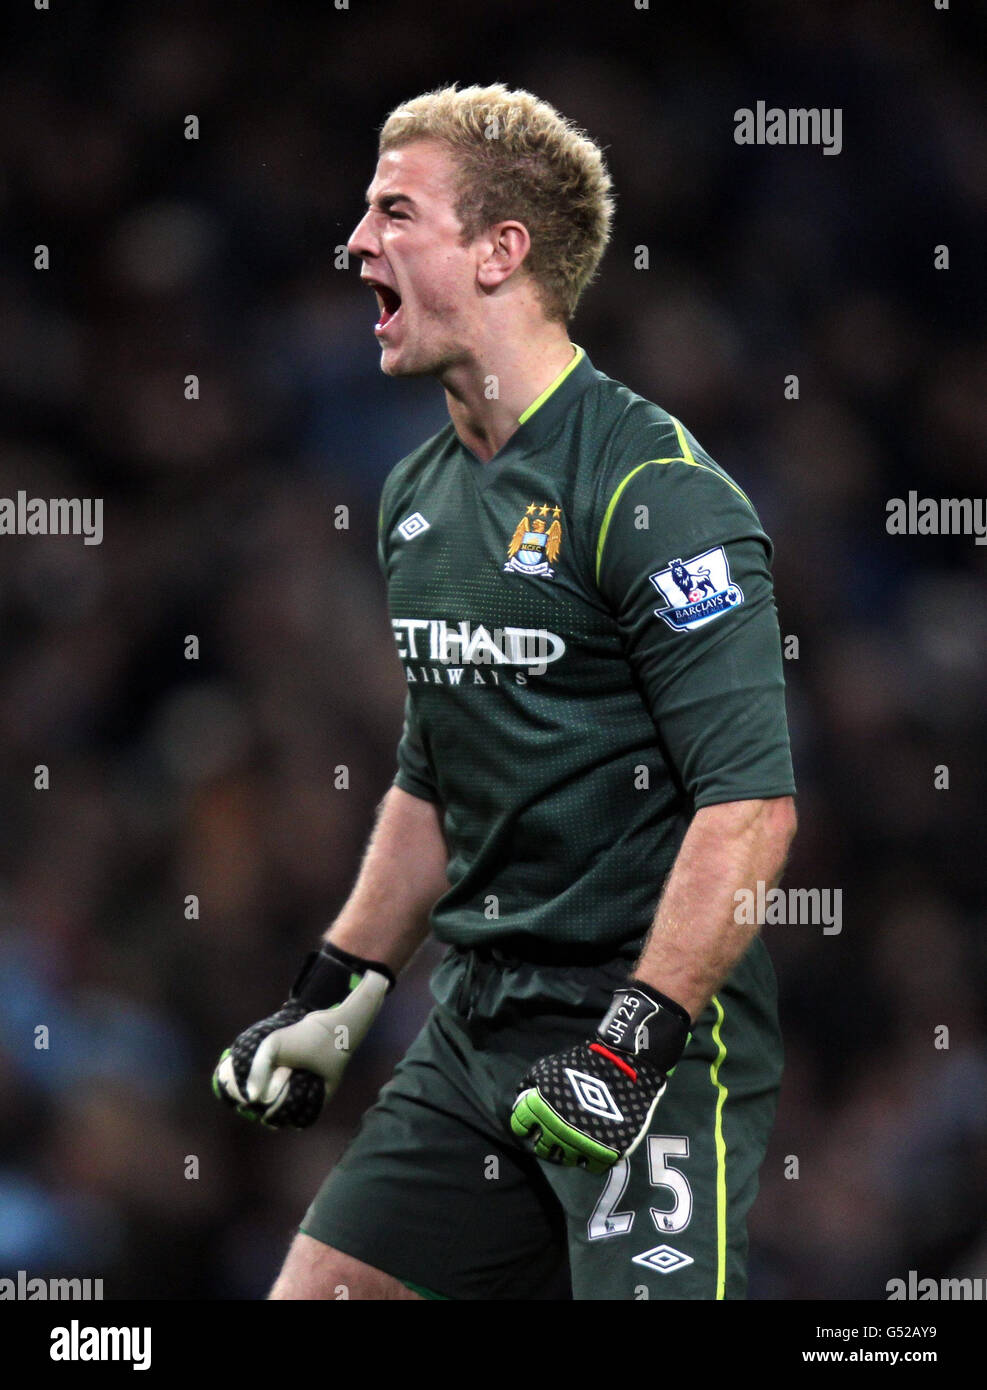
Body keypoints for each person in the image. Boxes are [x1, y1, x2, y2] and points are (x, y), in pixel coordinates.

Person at [213, 82, 797, 1301]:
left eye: (393, 211)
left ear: (499, 251)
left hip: (647, 1044)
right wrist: (338, 984)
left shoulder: (656, 493)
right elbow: (437, 771)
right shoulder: (417, 495)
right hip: (476, 1029)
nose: (357, 241)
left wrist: (632, 1043)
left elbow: (750, 811)